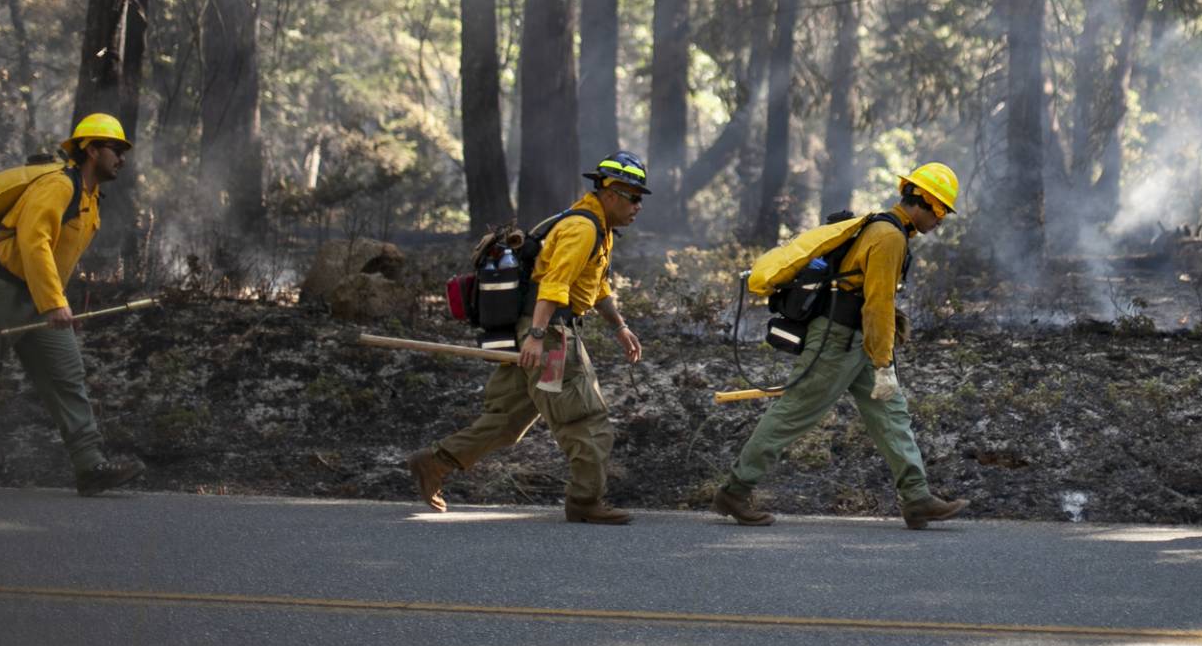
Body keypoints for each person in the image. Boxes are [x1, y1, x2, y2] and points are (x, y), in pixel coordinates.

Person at [712, 162, 970, 530]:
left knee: (891, 415)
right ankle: (734, 491)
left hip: (856, 339)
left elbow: (874, 301)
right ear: (922, 201)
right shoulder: (890, 237)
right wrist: (883, 363)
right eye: (941, 209)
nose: (941, 219)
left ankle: (916, 497)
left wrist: (879, 355)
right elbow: (877, 305)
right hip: (838, 338)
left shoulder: (886, 228)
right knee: (793, 413)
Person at [406, 150, 650, 524]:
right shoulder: (584, 228)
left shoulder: (596, 228)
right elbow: (554, 284)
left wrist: (619, 326)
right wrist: (537, 336)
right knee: (584, 419)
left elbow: (595, 285)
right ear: (612, 193)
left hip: (536, 331)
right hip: (549, 337)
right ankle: (586, 500)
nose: (637, 206)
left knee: (507, 419)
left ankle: (435, 463)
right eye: (633, 197)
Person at [0, 113, 146, 495]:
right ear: (92, 150)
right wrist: (53, 302)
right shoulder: (58, 185)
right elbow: (33, 242)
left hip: (39, 301)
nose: (122, 158)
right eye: (115, 149)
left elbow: (57, 257)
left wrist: (55, 302)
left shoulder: (91, 200)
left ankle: (90, 467)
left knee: (66, 376)